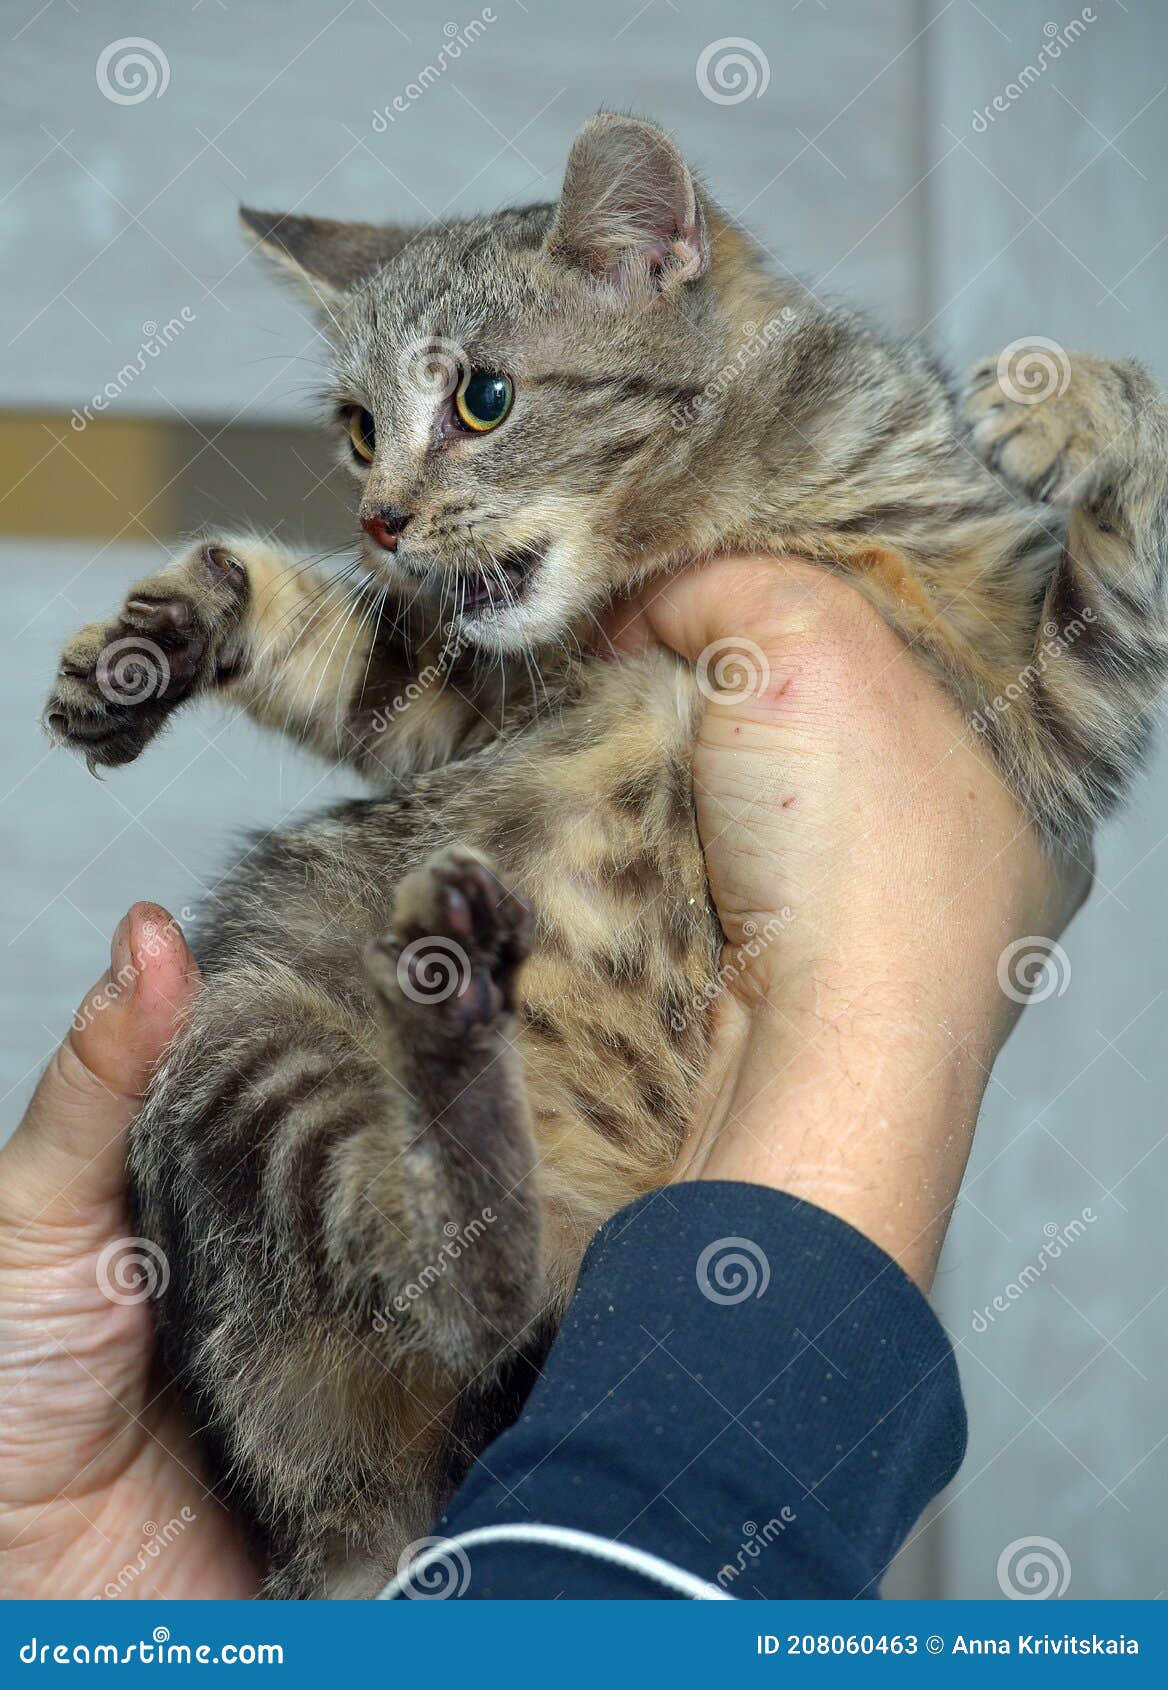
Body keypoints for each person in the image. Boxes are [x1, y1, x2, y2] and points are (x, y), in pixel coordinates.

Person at [0, 557, 1086, 1601]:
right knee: (247, 1031)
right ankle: (453, 1224)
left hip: (515, 1338)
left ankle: (463, 1212)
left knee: (246, 1043)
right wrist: (893, 1014)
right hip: (361, 1353)